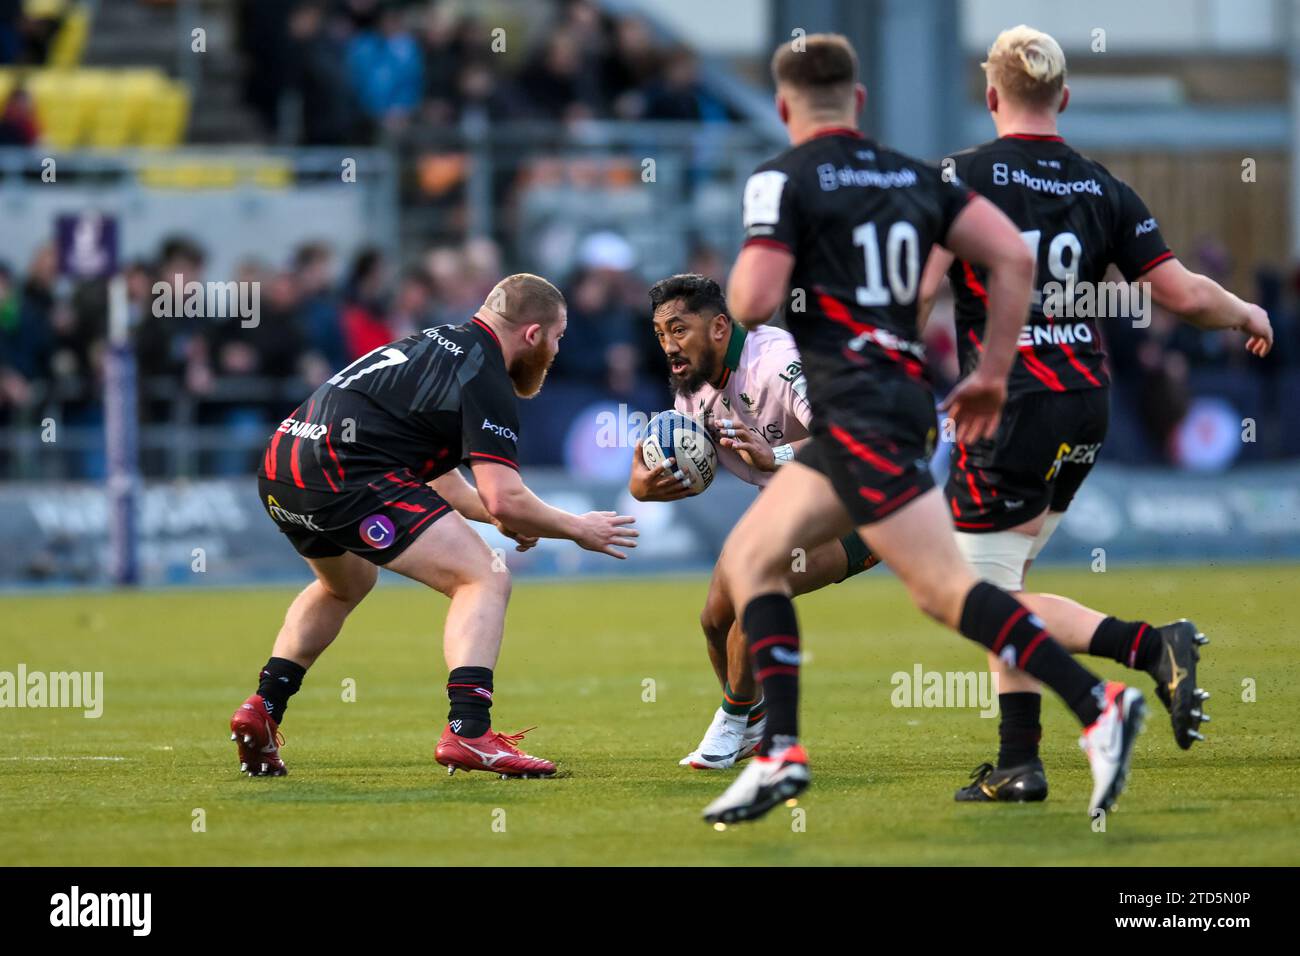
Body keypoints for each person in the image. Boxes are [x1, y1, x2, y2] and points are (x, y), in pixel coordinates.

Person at [702, 33, 1144, 825]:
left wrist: (745, 274)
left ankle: (1097, 705)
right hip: (896, 400)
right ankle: (781, 756)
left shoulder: (782, 177)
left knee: (939, 591)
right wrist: (992, 372)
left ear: (782, 108)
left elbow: (754, 301)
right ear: (860, 103)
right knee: (754, 561)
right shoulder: (915, 175)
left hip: (860, 406)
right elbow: (1012, 256)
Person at [916, 25, 1273, 802]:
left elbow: (917, 291)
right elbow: (1179, 293)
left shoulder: (958, 176)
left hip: (1010, 405)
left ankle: (1149, 646)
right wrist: (1245, 308)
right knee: (1007, 586)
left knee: (972, 599)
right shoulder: (1101, 185)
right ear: (1064, 97)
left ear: (990, 96)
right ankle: (1018, 763)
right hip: (1085, 406)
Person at [229, 274, 638, 778]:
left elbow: (444, 475)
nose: (555, 351)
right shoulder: (484, 372)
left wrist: (499, 515)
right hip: (345, 472)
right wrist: (578, 528)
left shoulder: (432, 340)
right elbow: (504, 494)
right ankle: (470, 732)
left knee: (346, 584)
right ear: (533, 335)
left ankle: (263, 709)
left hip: (281, 463)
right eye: (556, 337)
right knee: (484, 576)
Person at [628, 273, 877, 769]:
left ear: (720, 327)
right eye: (660, 334)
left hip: (862, 502)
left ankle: (731, 720)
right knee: (713, 621)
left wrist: (778, 453)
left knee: (753, 586)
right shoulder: (693, 391)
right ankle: (754, 722)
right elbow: (673, 468)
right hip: (789, 499)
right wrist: (642, 485)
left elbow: (851, 437)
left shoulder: (778, 362)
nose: (669, 346)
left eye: (679, 330)